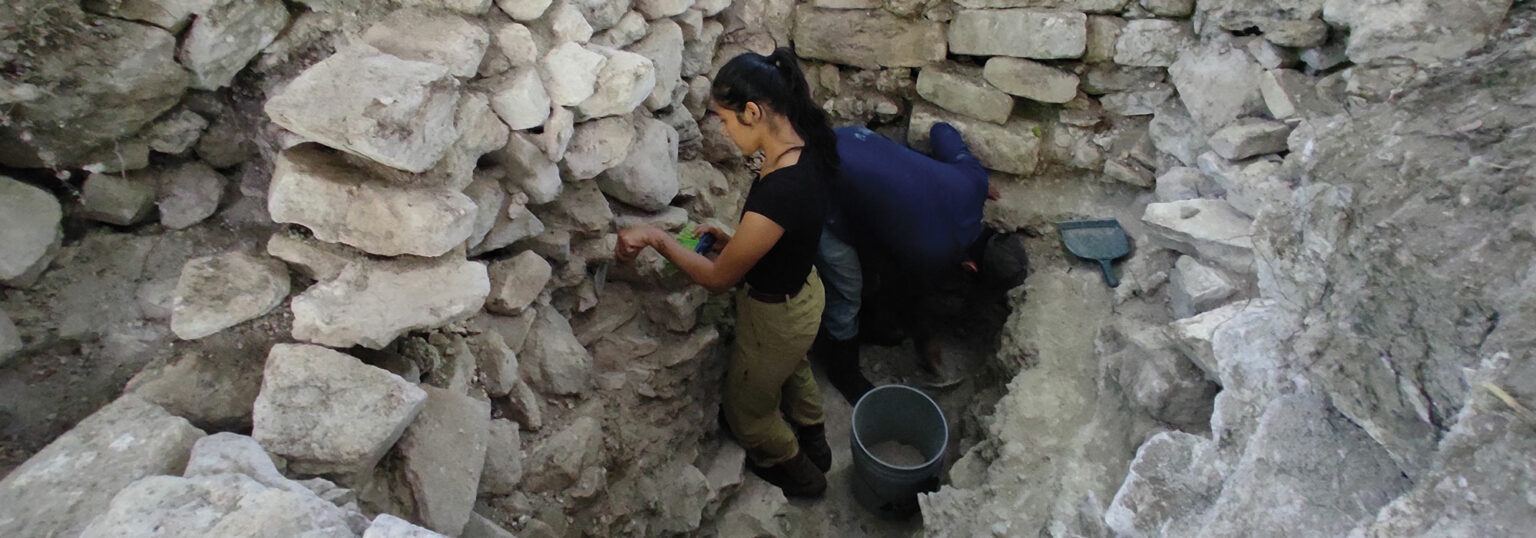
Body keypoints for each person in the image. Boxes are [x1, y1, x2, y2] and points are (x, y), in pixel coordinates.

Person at [614, 47, 837, 498]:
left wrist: (659, 240)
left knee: (748, 412)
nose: (722, 129)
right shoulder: (808, 145)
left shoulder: (780, 191)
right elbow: (783, 234)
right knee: (794, 365)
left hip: (776, 318)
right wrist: (735, 242)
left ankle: (802, 473)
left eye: (724, 118)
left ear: (753, 112)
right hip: (806, 292)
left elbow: (718, 280)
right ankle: (815, 434)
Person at [813, 123, 1030, 405]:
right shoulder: (932, 252)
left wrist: (978, 179)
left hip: (849, 137)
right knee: (846, 291)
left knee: (880, 257)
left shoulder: (973, 182)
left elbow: (942, 131)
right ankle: (842, 370)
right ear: (971, 268)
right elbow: (911, 295)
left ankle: (869, 325)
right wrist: (925, 340)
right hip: (819, 184)